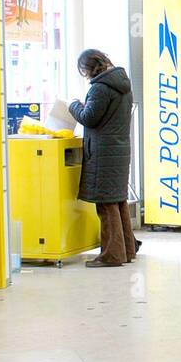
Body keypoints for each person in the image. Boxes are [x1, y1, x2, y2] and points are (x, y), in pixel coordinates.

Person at [68, 49, 137, 268]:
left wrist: (74, 105)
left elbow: (89, 118)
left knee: (106, 205)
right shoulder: (122, 83)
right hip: (119, 149)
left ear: (89, 68)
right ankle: (127, 249)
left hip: (104, 153)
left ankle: (111, 255)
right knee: (117, 201)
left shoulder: (100, 87)